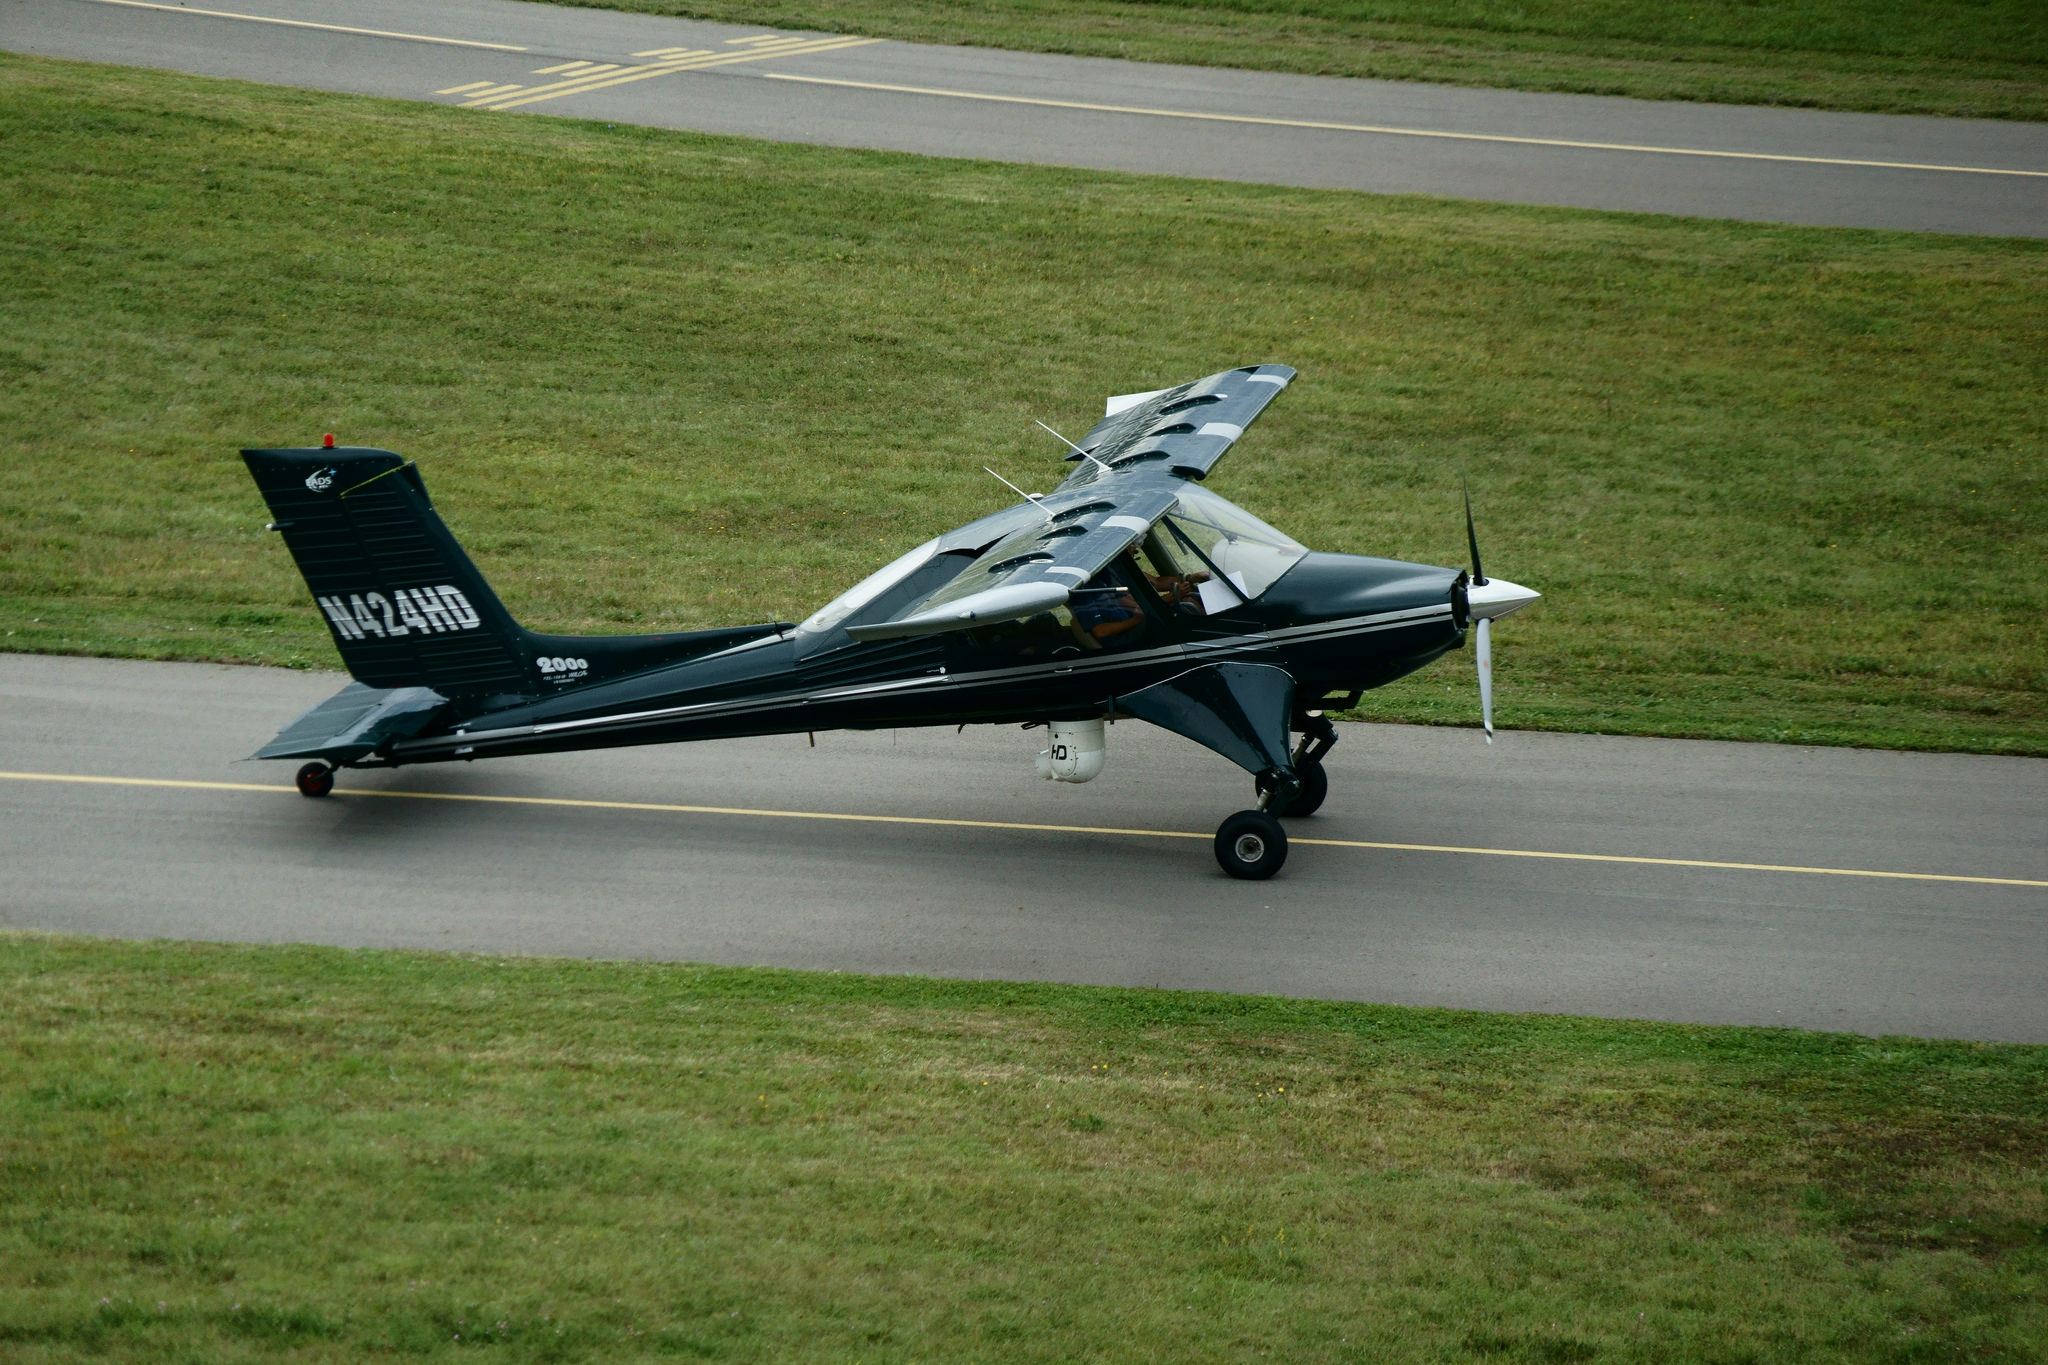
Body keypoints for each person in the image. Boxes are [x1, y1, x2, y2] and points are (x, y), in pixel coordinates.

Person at [1069, 575, 1146, 645]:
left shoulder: (1100, 578)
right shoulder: (1081, 591)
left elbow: (1121, 598)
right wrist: (1136, 620)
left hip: (1132, 627)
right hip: (1123, 641)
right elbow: (1100, 631)